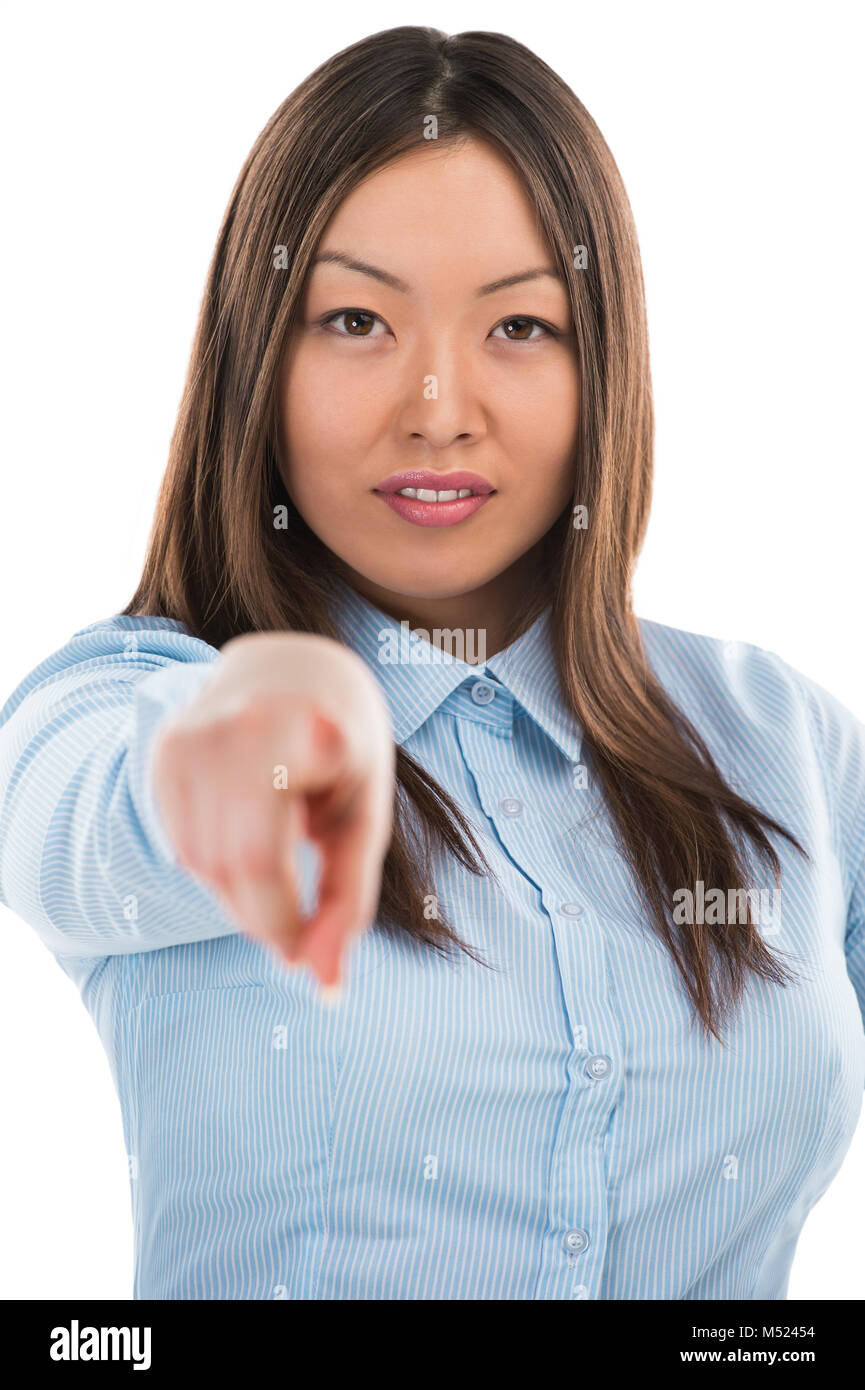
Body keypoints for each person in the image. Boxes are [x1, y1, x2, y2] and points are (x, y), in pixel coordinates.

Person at [1, 25, 863, 1301]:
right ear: (257, 360)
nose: (438, 404)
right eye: (356, 319)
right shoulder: (123, 696)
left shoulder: (776, 732)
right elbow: (86, 823)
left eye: (519, 325)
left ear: (602, 368)